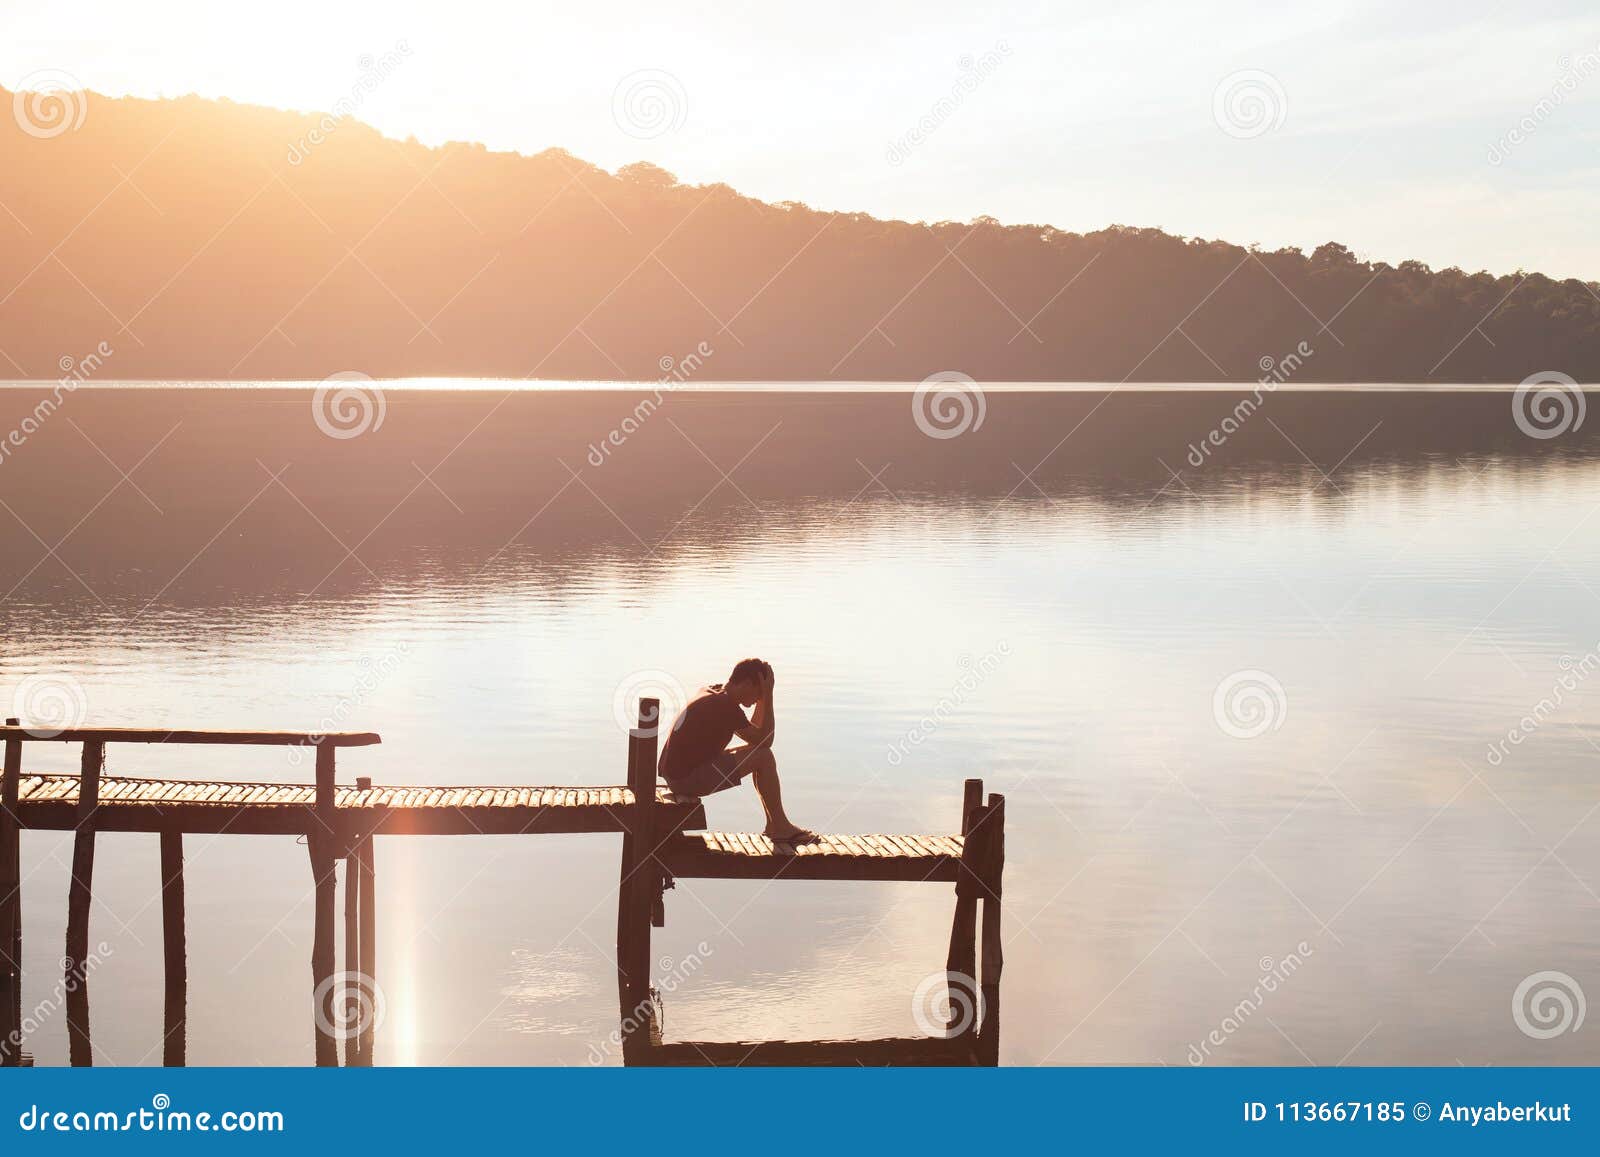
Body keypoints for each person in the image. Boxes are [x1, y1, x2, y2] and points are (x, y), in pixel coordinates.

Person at [658, 658, 816, 842]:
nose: (759, 698)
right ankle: (779, 825)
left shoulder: (715, 693)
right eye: (759, 693)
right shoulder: (724, 706)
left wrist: (762, 697)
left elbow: (758, 738)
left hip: (677, 775)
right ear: (747, 684)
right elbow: (766, 740)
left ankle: (774, 825)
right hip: (686, 780)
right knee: (764, 757)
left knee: (760, 754)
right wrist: (769, 696)